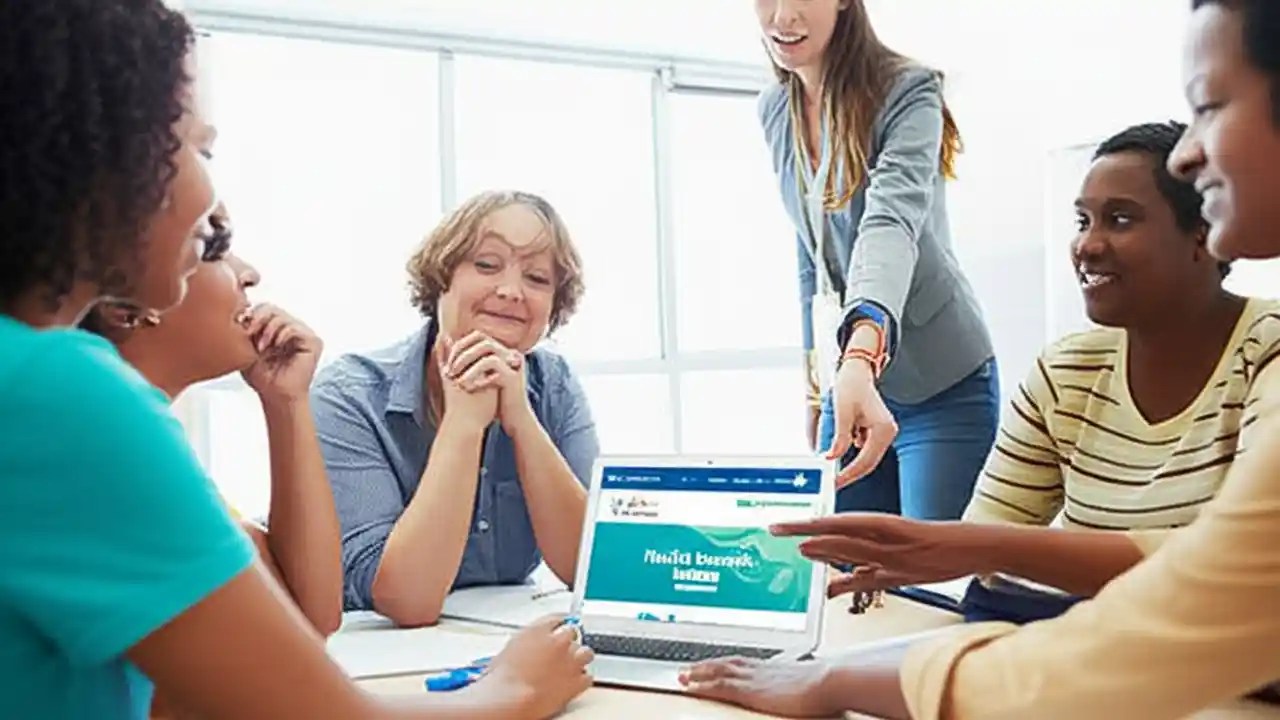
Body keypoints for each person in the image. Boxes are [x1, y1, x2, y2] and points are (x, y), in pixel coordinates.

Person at [680, 1, 1280, 717]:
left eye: (1211, 106)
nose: (1189, 153)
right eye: (1081, 221)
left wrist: (846, 676)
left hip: (928, 367)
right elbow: (816, 259)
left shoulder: (1265, 353)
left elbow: (1196, 597)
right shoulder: (1066, 371)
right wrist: (826, 373)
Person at [0, 3, 591, 718]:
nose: (212, 202)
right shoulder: (59, 394)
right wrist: (515, 690)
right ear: (100, 156)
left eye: (537, 278)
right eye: (199, 149)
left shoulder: (40, 382)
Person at [756, 0, 999, 519]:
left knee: (929, 584)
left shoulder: (909, 90)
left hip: (942, 380)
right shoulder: (775, 109)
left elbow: (890, 224)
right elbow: (811, 256)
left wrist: (862, 356)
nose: (782, 17)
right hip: (847, 381)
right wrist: (818, 387)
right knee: (840, 573)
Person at [312, 190, 597, 627]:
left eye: (538, 278)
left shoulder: (554, 386)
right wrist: (464, 422)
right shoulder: (348, 396)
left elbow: (594, 572)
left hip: (503, 642)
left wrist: (521, 421)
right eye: (486, 265)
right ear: (441, 276)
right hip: (377, 658)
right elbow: (407, 599)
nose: (510, 291)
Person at [82, 202, 345, 638]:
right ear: (127, 299)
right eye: (215, 247)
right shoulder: (110, 454)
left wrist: (286, 403)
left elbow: (311, 615)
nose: (250, 274)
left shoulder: (148, 439)